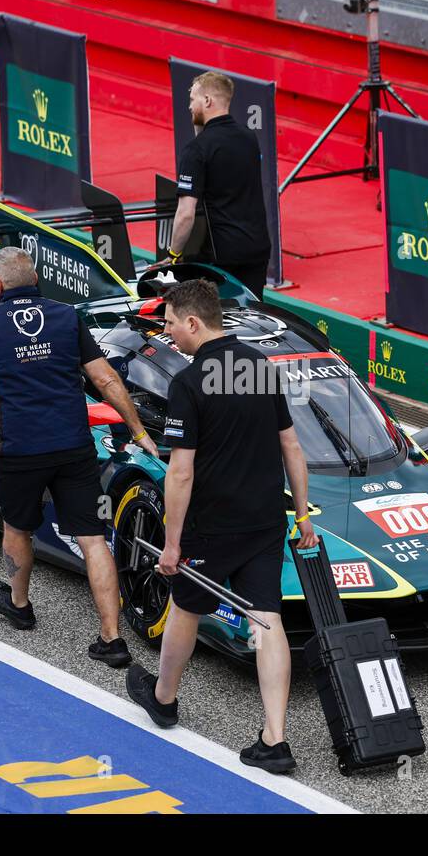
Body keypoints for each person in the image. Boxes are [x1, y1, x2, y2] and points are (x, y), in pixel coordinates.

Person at [0, 246, 158, 668]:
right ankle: (112, 639)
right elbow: (105, 379)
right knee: (92, 538)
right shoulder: (67, 317)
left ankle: (20, 603)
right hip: (74, 446)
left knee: (17, 527)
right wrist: (140, 432)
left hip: (21, 450)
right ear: (36, 280)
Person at [124, 279, 317, 774]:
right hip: (265, 519)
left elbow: (181, 471)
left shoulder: (187, 384)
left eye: (169, 323)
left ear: (193, 322)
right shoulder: (259, 367)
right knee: (265, 617)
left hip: (212, 523)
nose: (166, 333)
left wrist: (170, 542)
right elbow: (292, 447)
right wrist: (303, 515)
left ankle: (164, 698)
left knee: (186, 606)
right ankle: (275, 738)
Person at [164, 71, 272, 300]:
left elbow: (185, 214)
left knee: (214, 323)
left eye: (193, 99)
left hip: (221, 259)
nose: (190, 107)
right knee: (250, 318)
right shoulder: (249, 138)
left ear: (207, 101)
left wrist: (174, 254)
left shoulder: (196, 150)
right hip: (257, 249)